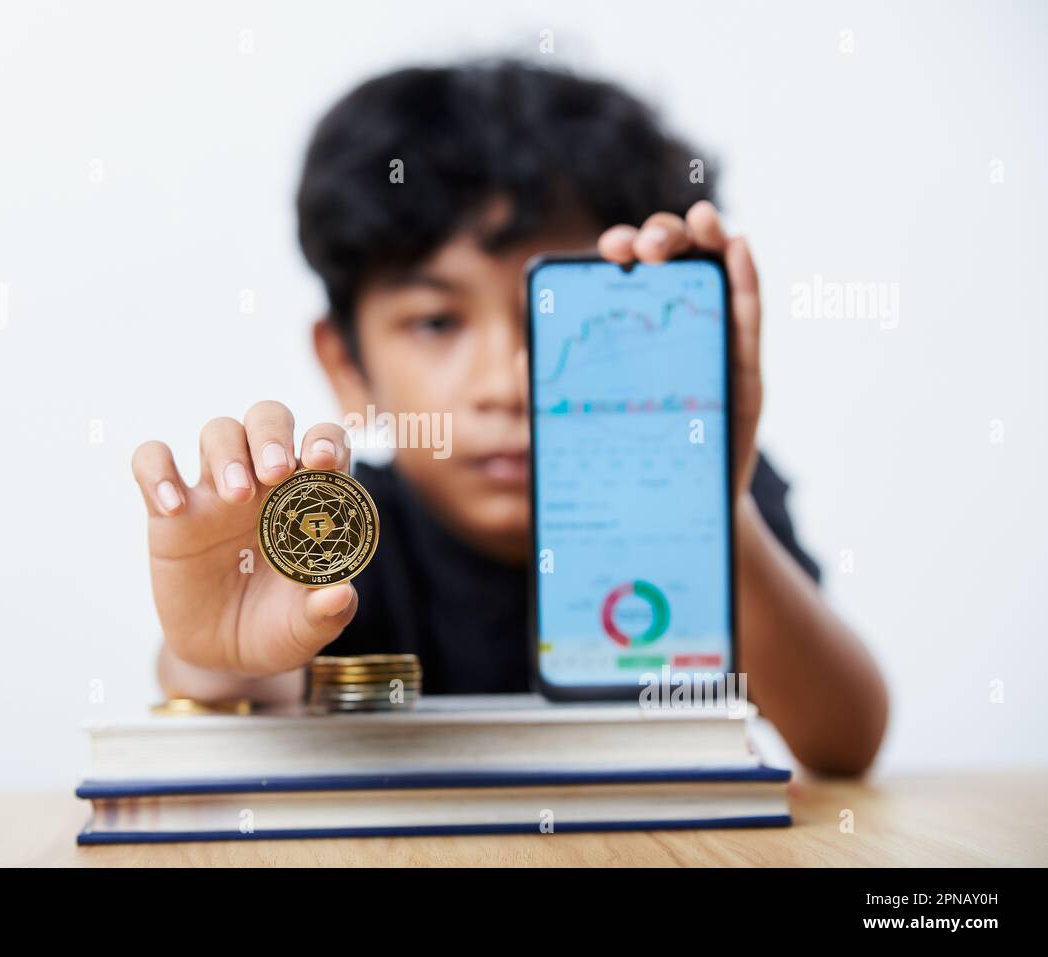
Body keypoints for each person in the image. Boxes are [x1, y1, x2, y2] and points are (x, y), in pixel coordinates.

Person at [131, 60, 888, 774]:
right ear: (345, 365)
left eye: (556, 315)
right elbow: (239, 684)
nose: (507, 384)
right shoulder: (338, 535)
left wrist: (709, 511)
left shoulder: (715, 492)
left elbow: (843, 740)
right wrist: (219, 651)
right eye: (435, 321)